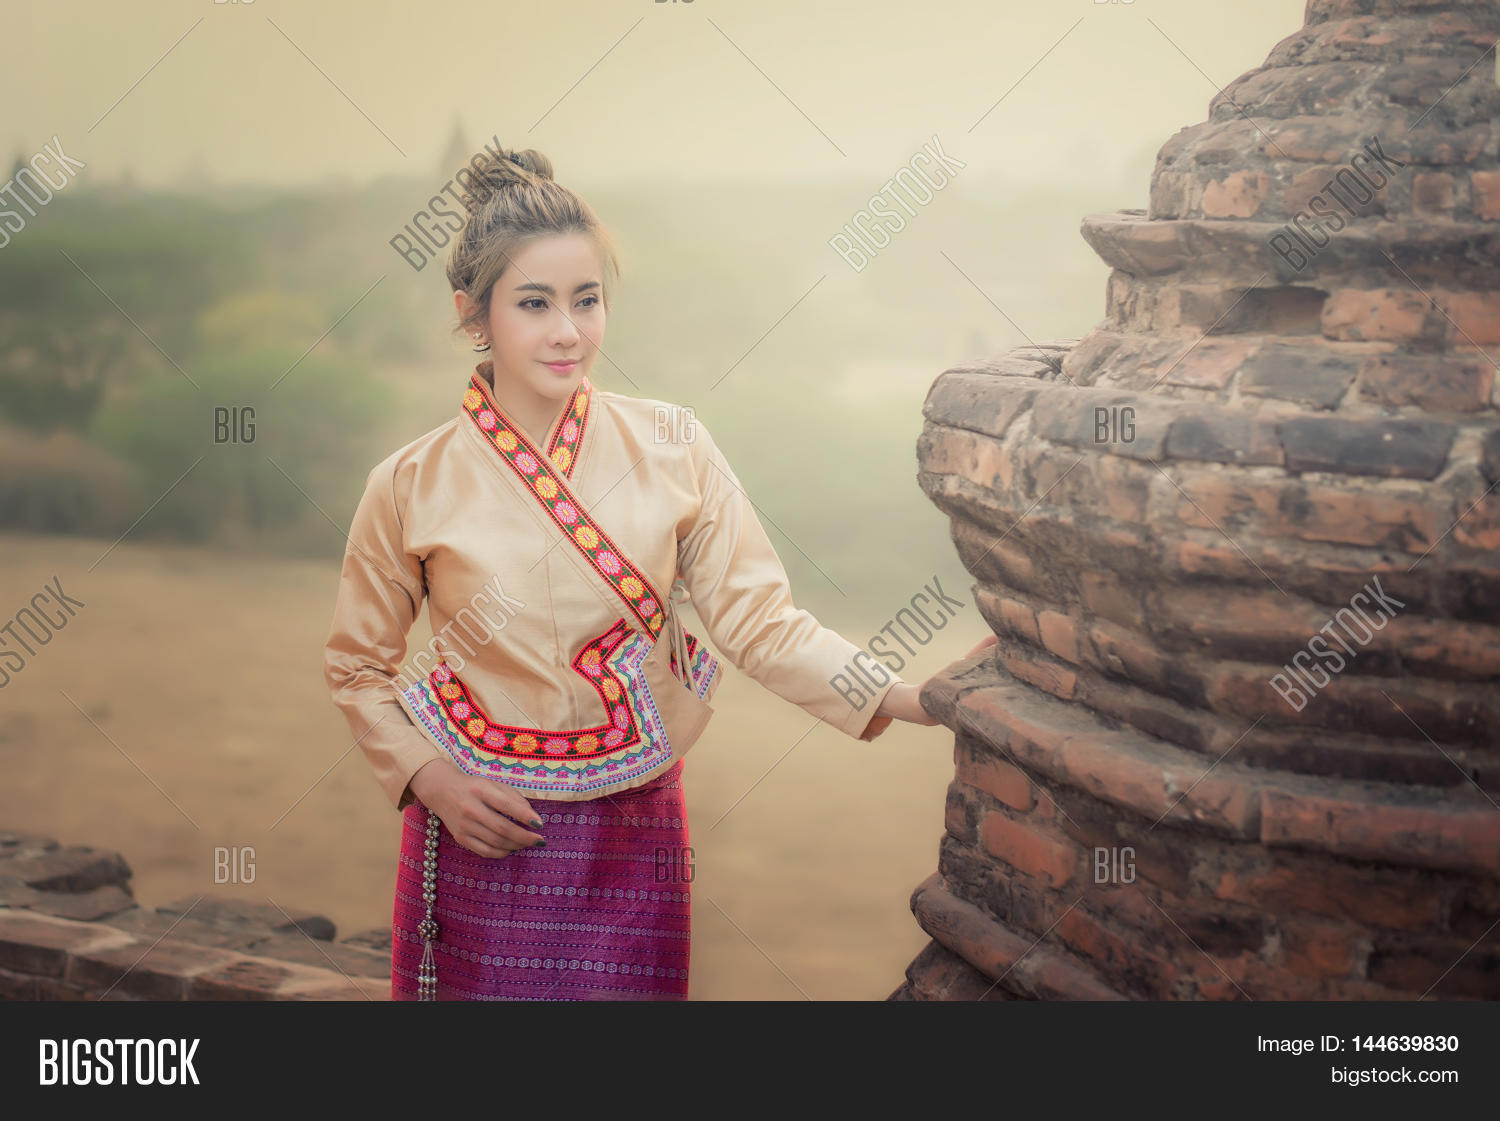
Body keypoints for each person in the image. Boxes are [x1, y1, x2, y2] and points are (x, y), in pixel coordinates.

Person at [322, 146, 995, 1001]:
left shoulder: (675, 446)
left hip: (633, 832)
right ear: (473, 314)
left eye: (587, 299)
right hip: (480, 829)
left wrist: (906, 695)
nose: (568, 331)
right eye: (534, 303)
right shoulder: (408, 483)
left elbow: (759, 621)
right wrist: (432, 780)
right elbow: (357, 667)